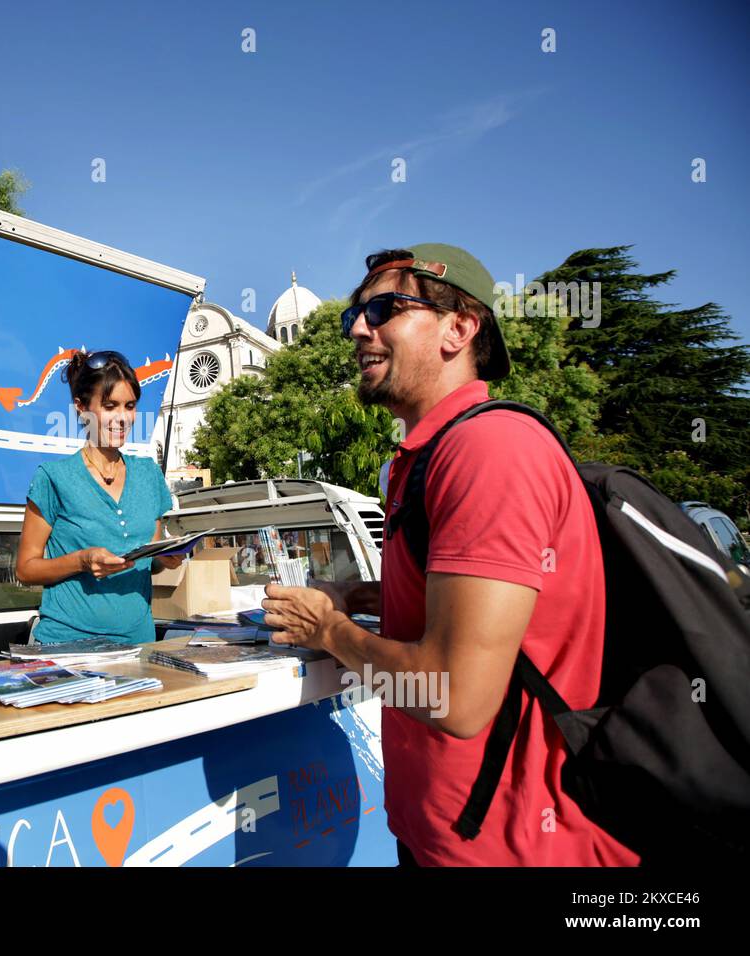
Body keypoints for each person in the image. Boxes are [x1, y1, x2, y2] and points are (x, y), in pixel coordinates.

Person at [261, 244, 639, 867]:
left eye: (383, 309)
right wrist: (355, 595)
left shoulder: (490, 451)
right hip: (442, 836)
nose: (358, 328)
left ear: (459, 329)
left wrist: (328, 630)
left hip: (513, 849)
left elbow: (455, 698)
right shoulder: (423, 458)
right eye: (353, 315)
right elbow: (457, 606)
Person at [15, 350, 183, 644]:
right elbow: (26, 569)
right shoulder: (53, 477)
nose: (122, 418)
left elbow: (149, 560)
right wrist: (82, 560)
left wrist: (167, 558)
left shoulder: (148, 474)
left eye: (129, 406)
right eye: (110, 406)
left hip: (138, 644)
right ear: (81, 408)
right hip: (67, 645)